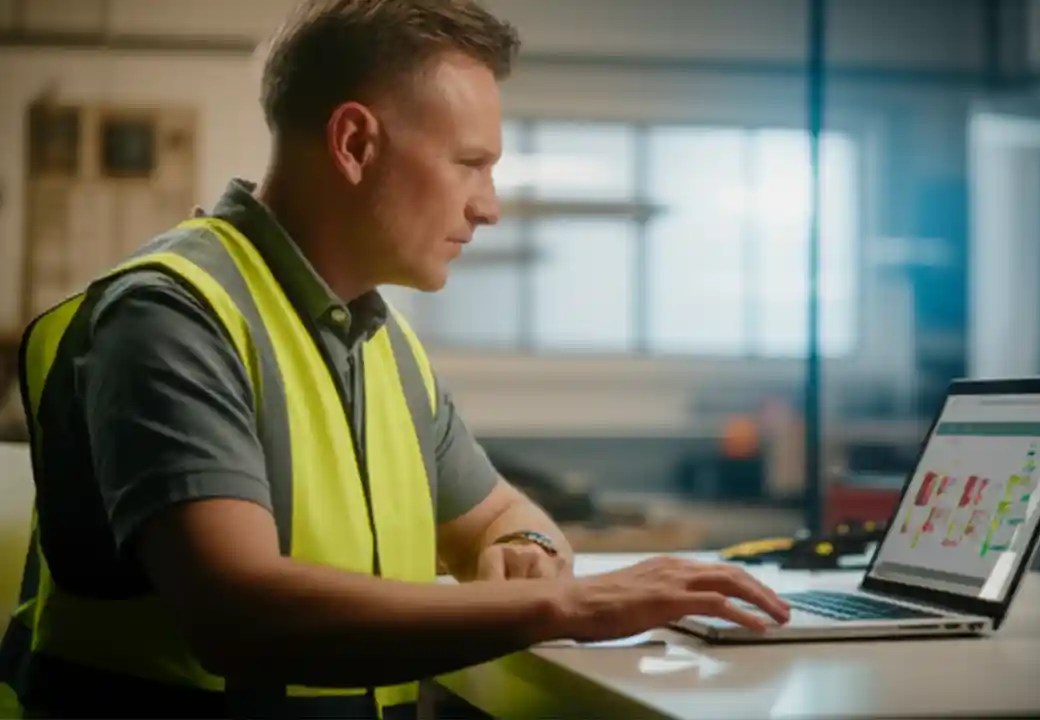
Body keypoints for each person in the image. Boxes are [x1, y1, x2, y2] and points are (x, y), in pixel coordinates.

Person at [0, 1, 789, 717]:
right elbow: (237, 615)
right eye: (469, 163)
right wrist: (572, 605)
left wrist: (529, 550)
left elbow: (503, 515)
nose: (489, 205)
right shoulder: (171, 316)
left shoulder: (380, 341)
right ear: (354, 143)